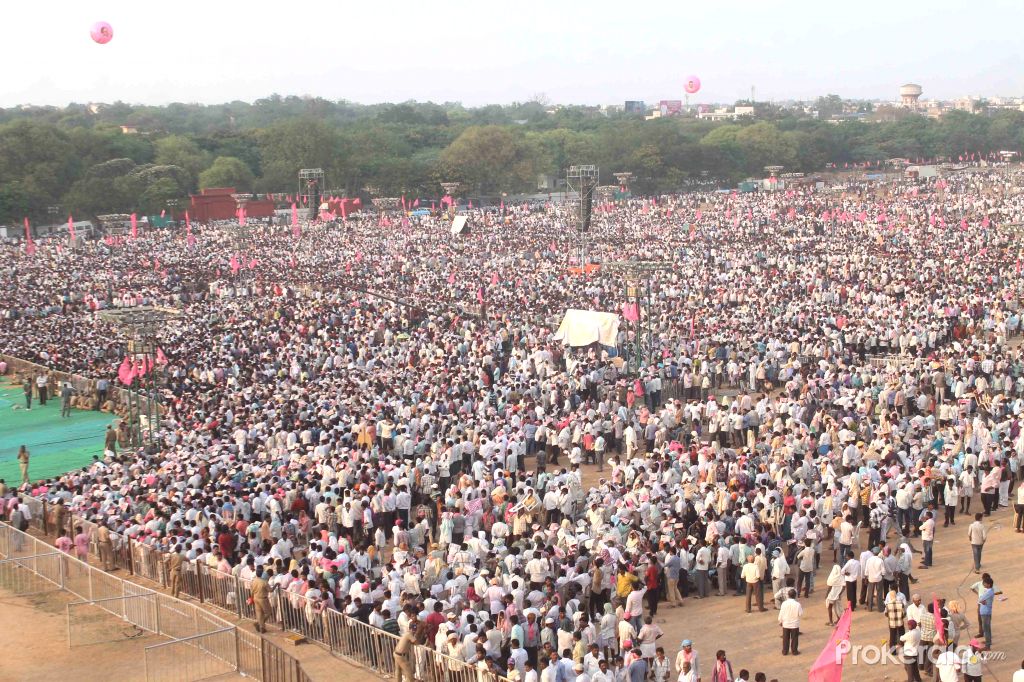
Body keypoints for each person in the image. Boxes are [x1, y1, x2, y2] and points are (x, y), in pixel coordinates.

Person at [777, 588, 802, 656]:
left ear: (788, 595)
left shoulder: (784, 603)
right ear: (795, 595)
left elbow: (781, 613)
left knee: (785, 638)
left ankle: (785, 651)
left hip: (786, 624)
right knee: (794, 638)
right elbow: (800, 614)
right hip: (794, 624)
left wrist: (780, 621)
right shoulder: (797, 604)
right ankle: (794, 651)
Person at [251, 567, 273, 633]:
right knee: (268, 612)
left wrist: (252, 598)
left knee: (259, 613)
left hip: (255, 597)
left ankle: (262, 627)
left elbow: (251, 590)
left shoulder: (254, 580)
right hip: (263, 599)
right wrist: (276, 585)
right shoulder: (264, 582)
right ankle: (259, 624)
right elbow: (271, 590)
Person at [977, 576, 994, 649]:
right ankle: (988, 641)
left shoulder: (989, 592)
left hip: (985, 612)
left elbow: (980, 599)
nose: (983, 584)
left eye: (985, 583)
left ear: (989, 584)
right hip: (985, 611)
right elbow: (981, 600)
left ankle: (987, 645)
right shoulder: (988, 591)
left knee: (986, 629)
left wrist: (981, 600)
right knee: (987, 628)